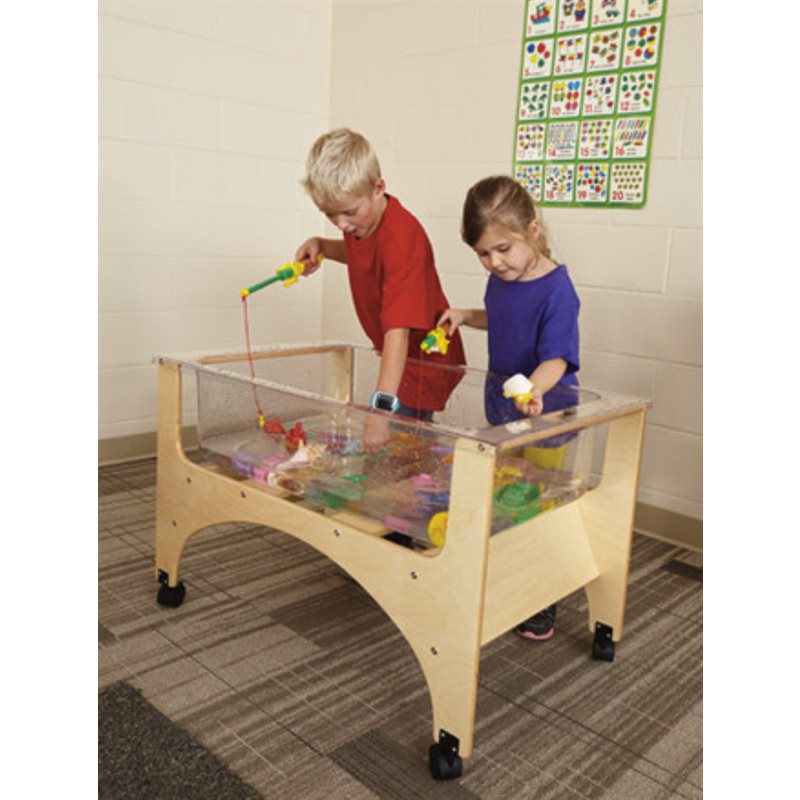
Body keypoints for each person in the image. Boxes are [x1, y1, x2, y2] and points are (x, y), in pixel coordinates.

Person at [437, 175, 581, 641]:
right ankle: (510, 577)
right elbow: (501, 319)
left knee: (539, 503)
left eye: (503, 249)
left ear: (532, 230)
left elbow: (557, 358)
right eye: (483, 253)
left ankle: (542, 597)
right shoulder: (502, 280)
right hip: (504, 405)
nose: (495, 262)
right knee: (506, 495)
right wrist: (465, 315)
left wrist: (534, 390)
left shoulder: (557, 289)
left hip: (546, 411)